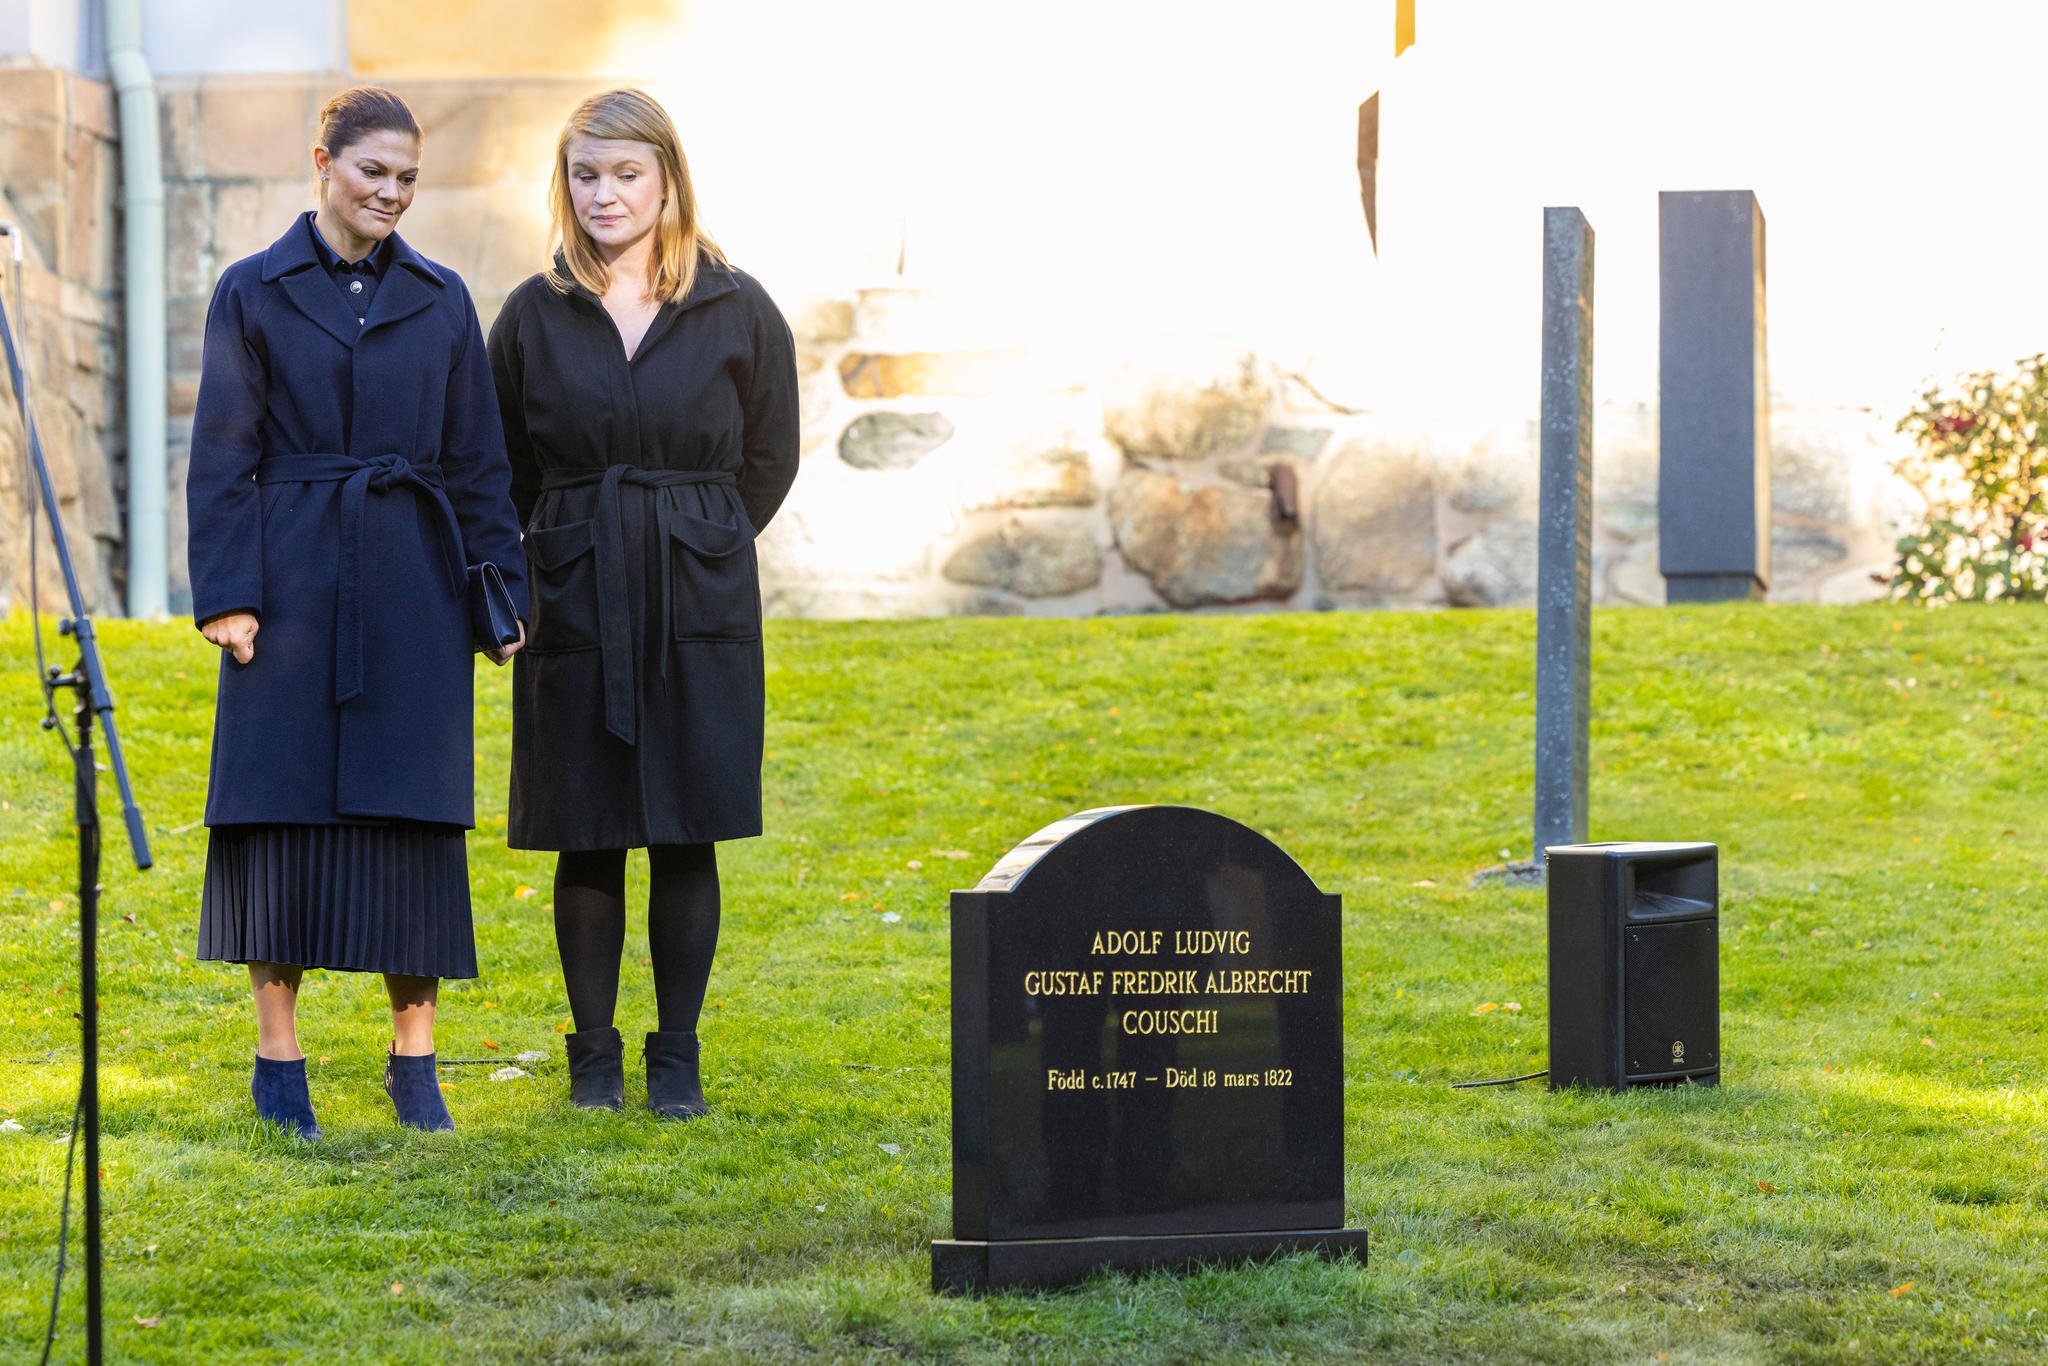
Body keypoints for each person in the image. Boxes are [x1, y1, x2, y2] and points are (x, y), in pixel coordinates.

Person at [187, 86, 528, 1139]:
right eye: (373, 171)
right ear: (322, 161)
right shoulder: (251, 290)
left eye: (407, 179)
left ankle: (414, 1062)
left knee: (414, 815)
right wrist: (230, 599)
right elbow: (222, 454)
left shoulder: (439, 297)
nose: (391, 193)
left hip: (415, 586)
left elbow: (476, 462)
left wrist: (498, 593)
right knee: (277, 812)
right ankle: (277, 1058)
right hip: (287, 584)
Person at [487, 88, 798, 1119]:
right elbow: (506, 464)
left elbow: (768, 456)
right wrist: (548, 560)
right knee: (588, 825)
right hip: (574, 590)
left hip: (695, 588)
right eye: (585, 174)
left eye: (625, 174)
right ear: (563, 185)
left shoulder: (734, 305)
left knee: (685, 824)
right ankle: (592, 1061)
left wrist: (700, 537)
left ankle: (677, 1060)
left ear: (667, 180)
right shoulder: (535, 311)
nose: (604, 194)